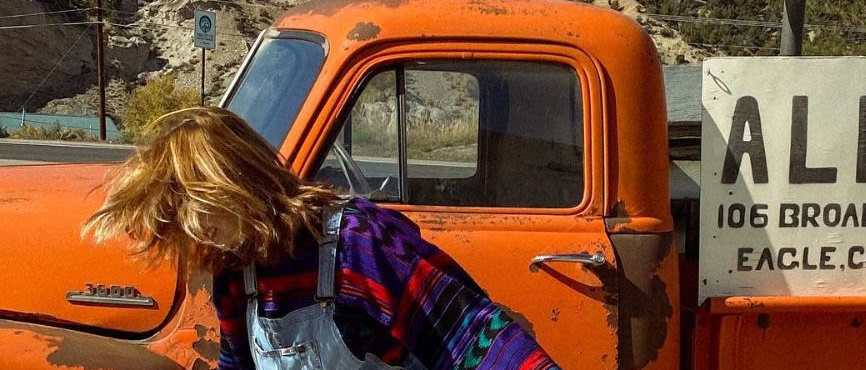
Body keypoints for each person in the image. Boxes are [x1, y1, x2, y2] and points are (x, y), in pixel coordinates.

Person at [83, 106, 560, 370]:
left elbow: (473, 336)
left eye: (197, 213)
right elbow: (236, 364)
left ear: (239, 185)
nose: (194, 234)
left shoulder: (360, 245)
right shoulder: (236, 274)